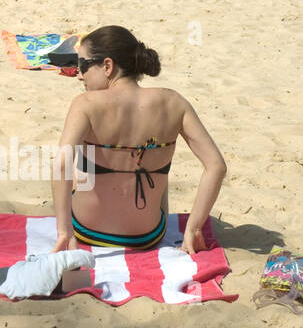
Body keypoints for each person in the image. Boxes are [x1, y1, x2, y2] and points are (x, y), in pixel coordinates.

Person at [50, 26, 226, 256]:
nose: (79, 74)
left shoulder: (86, 103)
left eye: (82, 64)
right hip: (148, 236)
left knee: (81, 171)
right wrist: (193, 228)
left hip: (87, 230)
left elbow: (62, 165)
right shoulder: (175, 102)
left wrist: (65, 232)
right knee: (152, 165)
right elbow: (217, 166)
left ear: (107, 66)